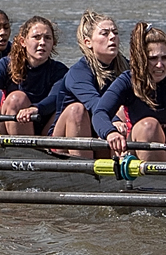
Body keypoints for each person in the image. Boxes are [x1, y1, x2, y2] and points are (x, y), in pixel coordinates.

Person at [92, 22, 166, 161]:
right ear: (141, 59)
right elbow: (100, 113)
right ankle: (155, 179)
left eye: (165, 58)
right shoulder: (126, 81)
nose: (160, 65)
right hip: (138, 148)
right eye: (153, 59)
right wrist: (110, 133)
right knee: (149, 125)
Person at [0, 16, 70, 138]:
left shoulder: (60, 70)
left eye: (47, 38)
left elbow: (54, 99)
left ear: (53, 43)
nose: (42, 42)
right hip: (10, 124)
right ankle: (22, 151)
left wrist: (36, 109)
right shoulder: (6, 65)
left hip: (44, 127)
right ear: (23, 42)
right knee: (17, 98)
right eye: (36, 37)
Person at [54, 11, 128, 156]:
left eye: (115, 32)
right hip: (67, 137)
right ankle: (82, 171)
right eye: (105, 34)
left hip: (102, 133)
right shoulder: (78, 72)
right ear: (88, 42)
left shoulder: (127, 67)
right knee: (77, 109)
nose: (112, 37)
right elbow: (96, 104)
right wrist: (115, 120)